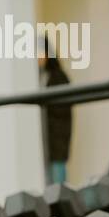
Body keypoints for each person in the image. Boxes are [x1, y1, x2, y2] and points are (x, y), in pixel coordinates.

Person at [39, 34, 73, 184]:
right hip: (47, 142)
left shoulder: (59, 77)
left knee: (58, 184)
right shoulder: (41, 77)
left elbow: (62, 110)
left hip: (57, 141)